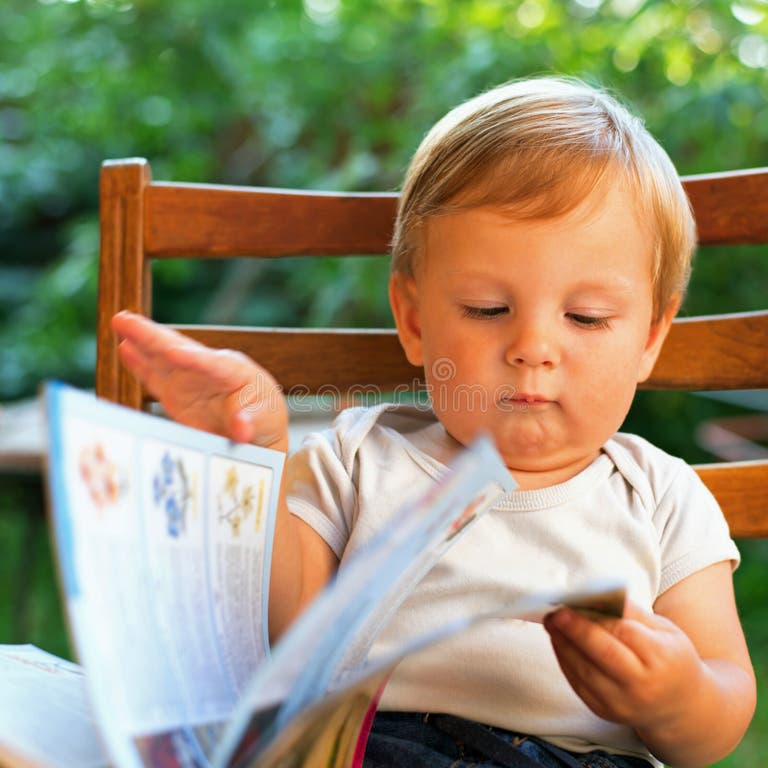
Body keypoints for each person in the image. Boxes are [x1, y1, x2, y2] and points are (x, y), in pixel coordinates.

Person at [112, 76, 755, 768]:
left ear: (651, 338)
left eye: (586, 317)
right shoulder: (356, 460)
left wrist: (676, 697)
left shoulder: (660, 495)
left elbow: (722, 707)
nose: (533, 347)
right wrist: (258, 456)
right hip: (370, 747)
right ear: (415, 321)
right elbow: (287, 646)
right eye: (485, 308)